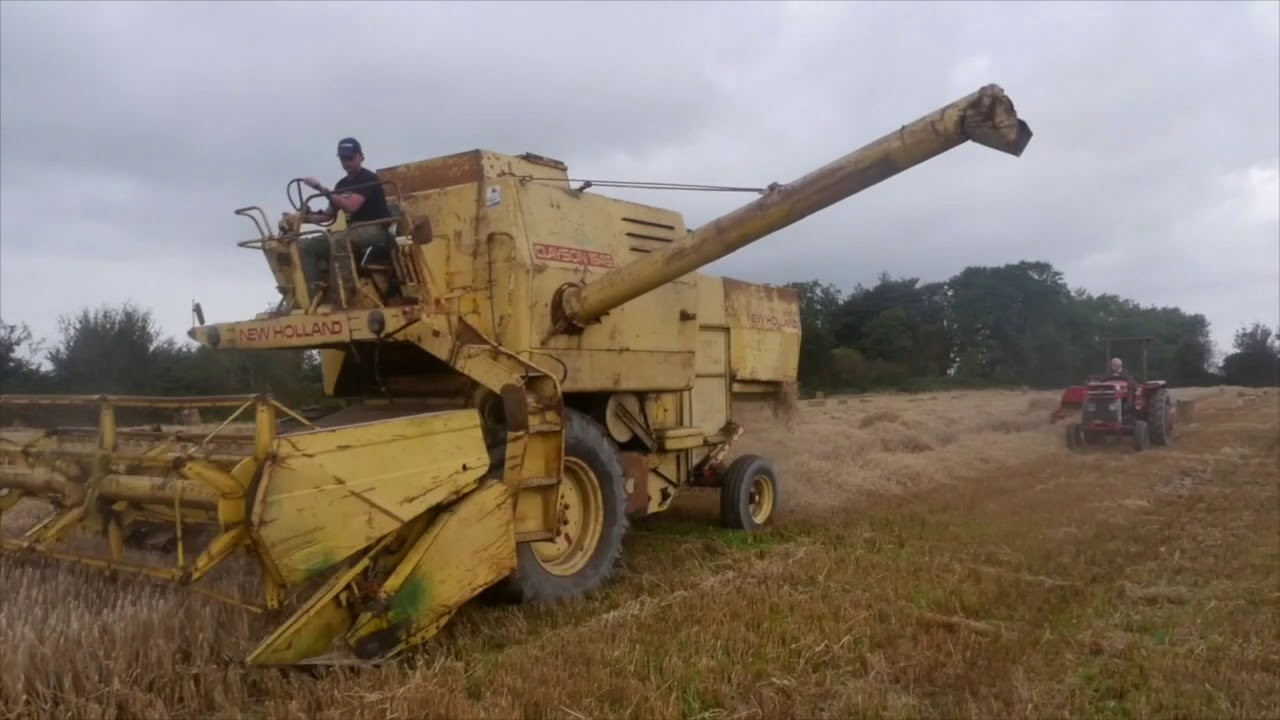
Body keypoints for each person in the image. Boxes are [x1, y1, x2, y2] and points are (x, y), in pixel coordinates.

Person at [296, 137, 394, 302]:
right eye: (343, 158)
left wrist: (319, 188)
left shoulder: (368, 178)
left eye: (350, 158)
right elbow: (327, 216)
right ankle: (313, 298)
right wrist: (304, 217)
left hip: (375, 229)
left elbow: (351, 206)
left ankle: (342, 297)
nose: (346, 162)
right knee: (307, 246)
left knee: (339, 240)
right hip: (353, 230)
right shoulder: (341, 185)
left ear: (360, 157)